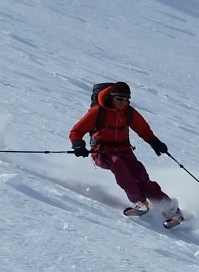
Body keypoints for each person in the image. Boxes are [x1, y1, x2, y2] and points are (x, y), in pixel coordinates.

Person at [71, 81, 185, 228]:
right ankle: (139, 201)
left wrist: (154, 142)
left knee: (140, 175)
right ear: (111, 97)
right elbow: (76, 131)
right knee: (118, 164)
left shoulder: (128, 111)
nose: (123, 102)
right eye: (119, 99)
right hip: (102, 151)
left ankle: (170, 208)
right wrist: (78, 145)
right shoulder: (97, 111)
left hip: (124, 150)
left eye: (126, 99)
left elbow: (143, 129)